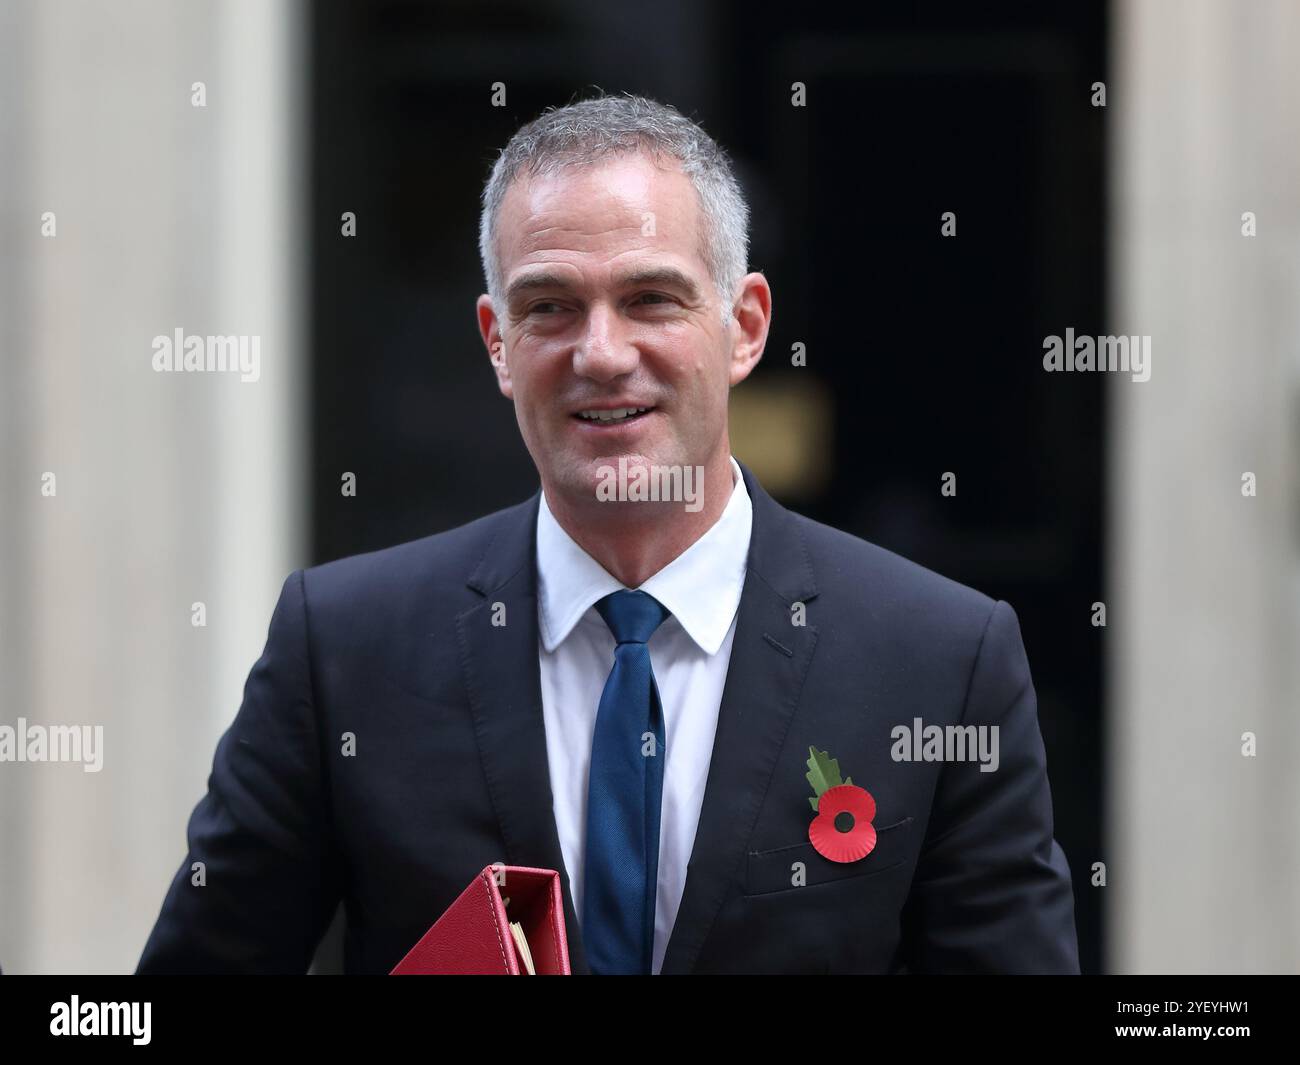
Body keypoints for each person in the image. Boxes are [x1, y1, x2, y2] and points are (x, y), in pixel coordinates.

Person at [138, 93, 1079, 975]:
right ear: (497, 342)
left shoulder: (940, 661)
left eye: (651, 300)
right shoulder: (342, 647)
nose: (600, 353)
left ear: (744, 326)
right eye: (549, 306)